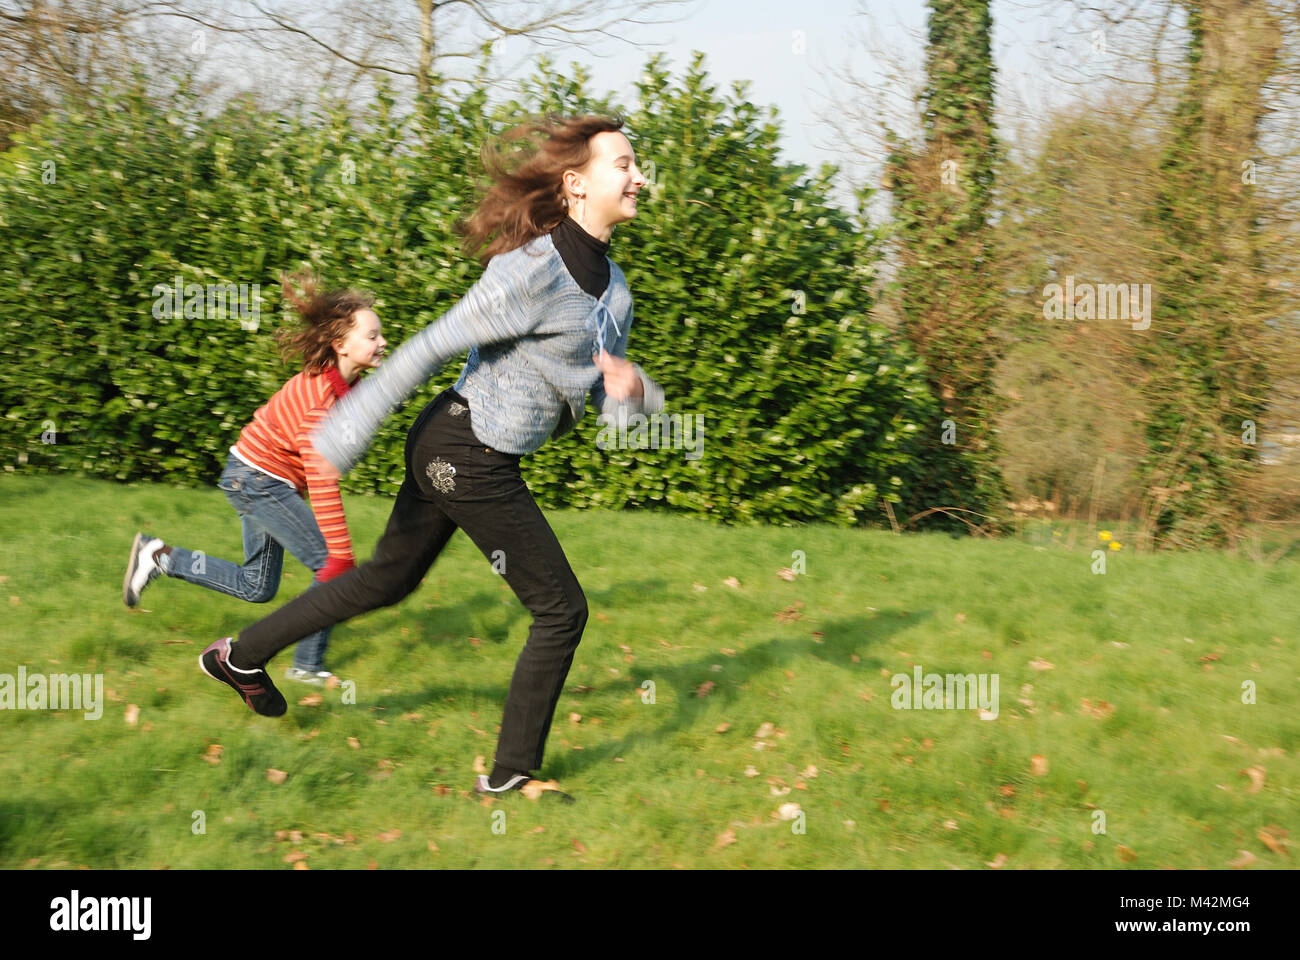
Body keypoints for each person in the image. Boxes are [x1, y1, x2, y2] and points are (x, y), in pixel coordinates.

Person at [198, 115, 662, 796]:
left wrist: (633, 392)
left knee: (388, 581)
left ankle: (239, 656)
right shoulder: (532, 270)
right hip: (464, 447)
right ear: (575, 184)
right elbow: (430, 343)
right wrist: (348, 428)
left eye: (635, 164)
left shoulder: (614, 292)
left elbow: (595, 394)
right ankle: (510, 775)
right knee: (562, 609)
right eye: (622, 164)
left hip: (466, 449)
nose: (638, 177)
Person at [125, 273, 386, 685]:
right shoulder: (320, 397)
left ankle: (160, 557)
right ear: (342, 344)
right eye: (372, 336)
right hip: (258, 481)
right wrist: (340, 550)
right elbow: (321, 479)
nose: (382, 342)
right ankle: (307, 666)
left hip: (253, 475)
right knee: (330, 567)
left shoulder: (342, 386)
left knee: (256, 586)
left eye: (380, 335)